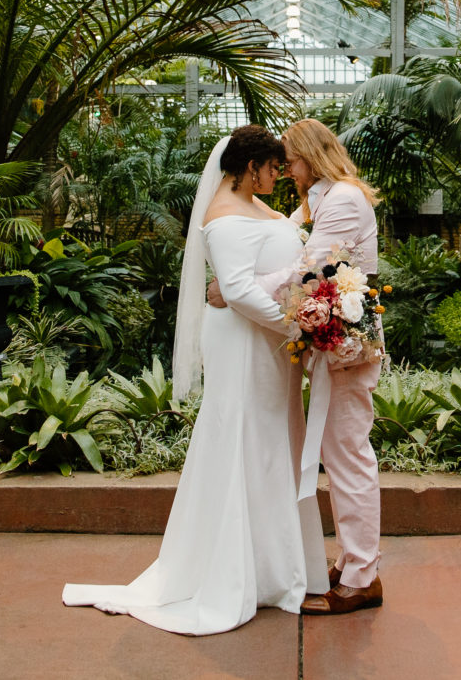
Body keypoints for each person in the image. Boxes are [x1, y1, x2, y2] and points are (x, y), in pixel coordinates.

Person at [62, 126, 325, 635]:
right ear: (251, 169)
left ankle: (275, 568)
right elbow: (240, 293)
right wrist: (299, 323)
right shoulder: (223, 219)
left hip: (270, 342)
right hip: (247, 343)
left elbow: (280, 238)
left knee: (274, 441)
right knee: (247, 439)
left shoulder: (255, 205)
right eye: (273, 168)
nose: (279, 176)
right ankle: (242, 572)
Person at [211, 117, 385, 615]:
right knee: (342, 450)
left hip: (349, 343)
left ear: (310, 155)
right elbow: (278, 226)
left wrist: (237, 288)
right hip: (333, 340)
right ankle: (356, 562)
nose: (284, 171)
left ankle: (362, 577)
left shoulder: (345, 199)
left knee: (348, 454)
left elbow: (311, 267)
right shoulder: (323, 197)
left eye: (288, 161)